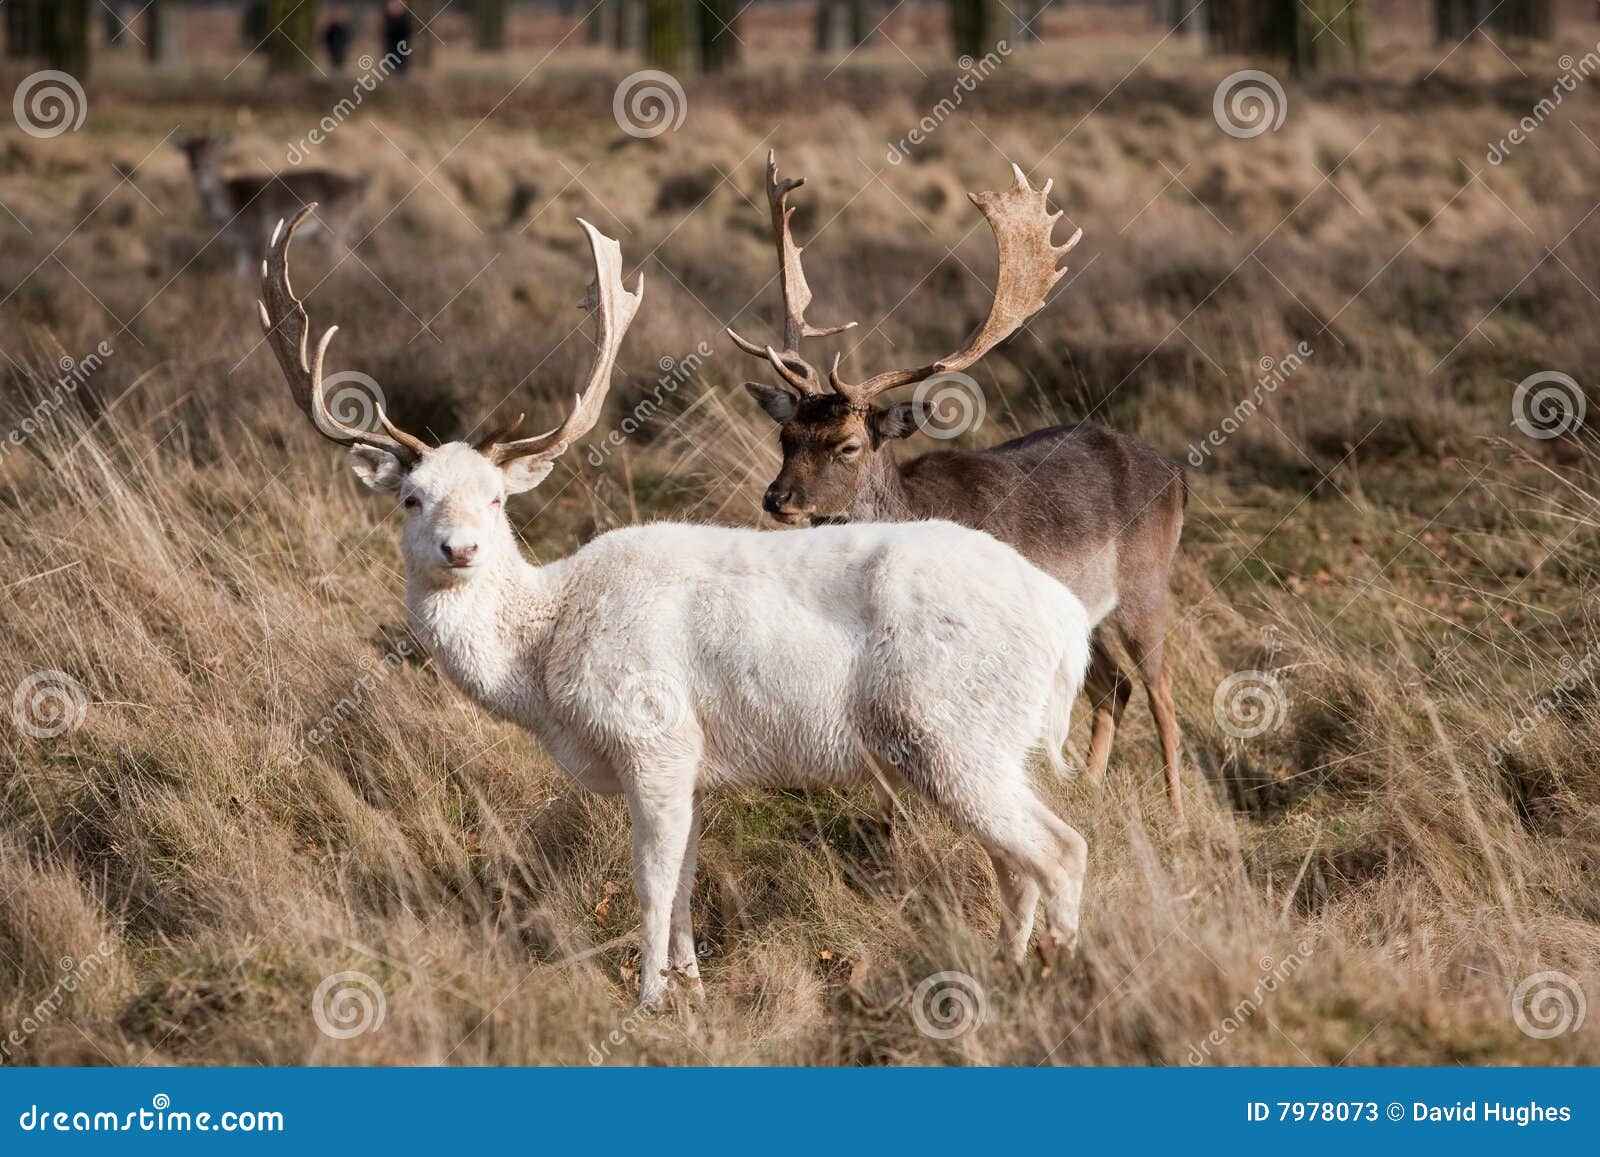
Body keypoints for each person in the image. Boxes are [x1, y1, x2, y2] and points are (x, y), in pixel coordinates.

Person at [383, 0, 413, 73]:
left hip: (401, 31)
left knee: (401, 55)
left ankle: (401, 71)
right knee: (391, 53)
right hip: (391, 33)